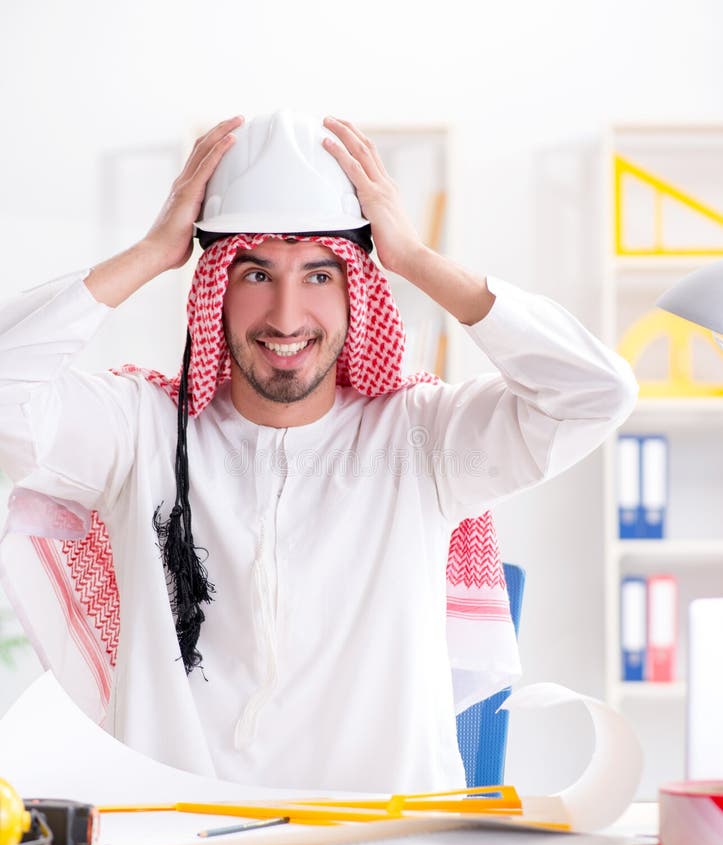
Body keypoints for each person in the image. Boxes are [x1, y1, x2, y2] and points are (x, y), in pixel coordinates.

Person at [0, 112, 638, 793]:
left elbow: (593, 393)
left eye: (317, 276)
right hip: (176, 839)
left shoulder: (423, 437)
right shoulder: (139, 432)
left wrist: (417, 261)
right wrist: (153, 251)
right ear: (212, 289)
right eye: (253, 275)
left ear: (356, 293)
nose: (284, 316)